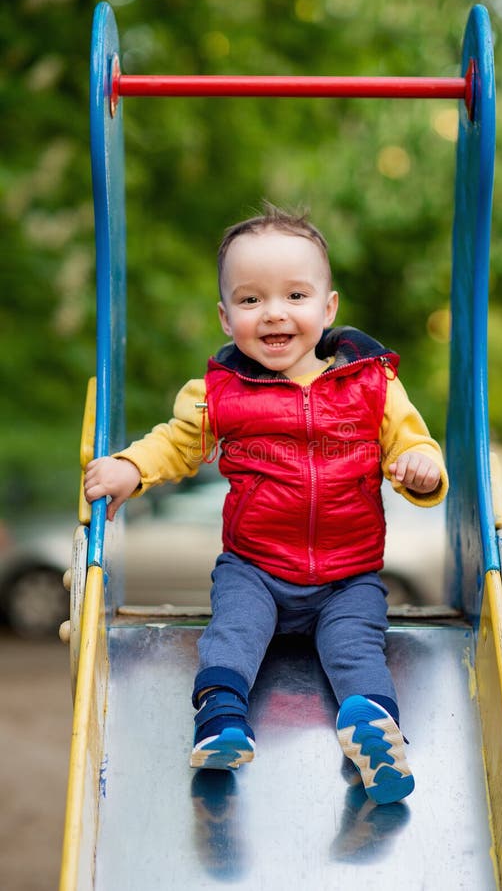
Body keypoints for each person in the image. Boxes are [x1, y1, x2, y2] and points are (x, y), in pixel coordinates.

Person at [84, 204, 448, 805]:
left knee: (358, 649)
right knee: (232, 631)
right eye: (251, 301)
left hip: (348, 575)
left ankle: (374, 733)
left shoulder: (373, 385)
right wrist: (130, 467)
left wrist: (422, 470)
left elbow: (413, 448)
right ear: (226, 319)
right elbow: (175, 445)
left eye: (295, 295)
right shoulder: (219, 395)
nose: (274, 313)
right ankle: (221, 720)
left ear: (328, 308)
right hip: (255, 566)